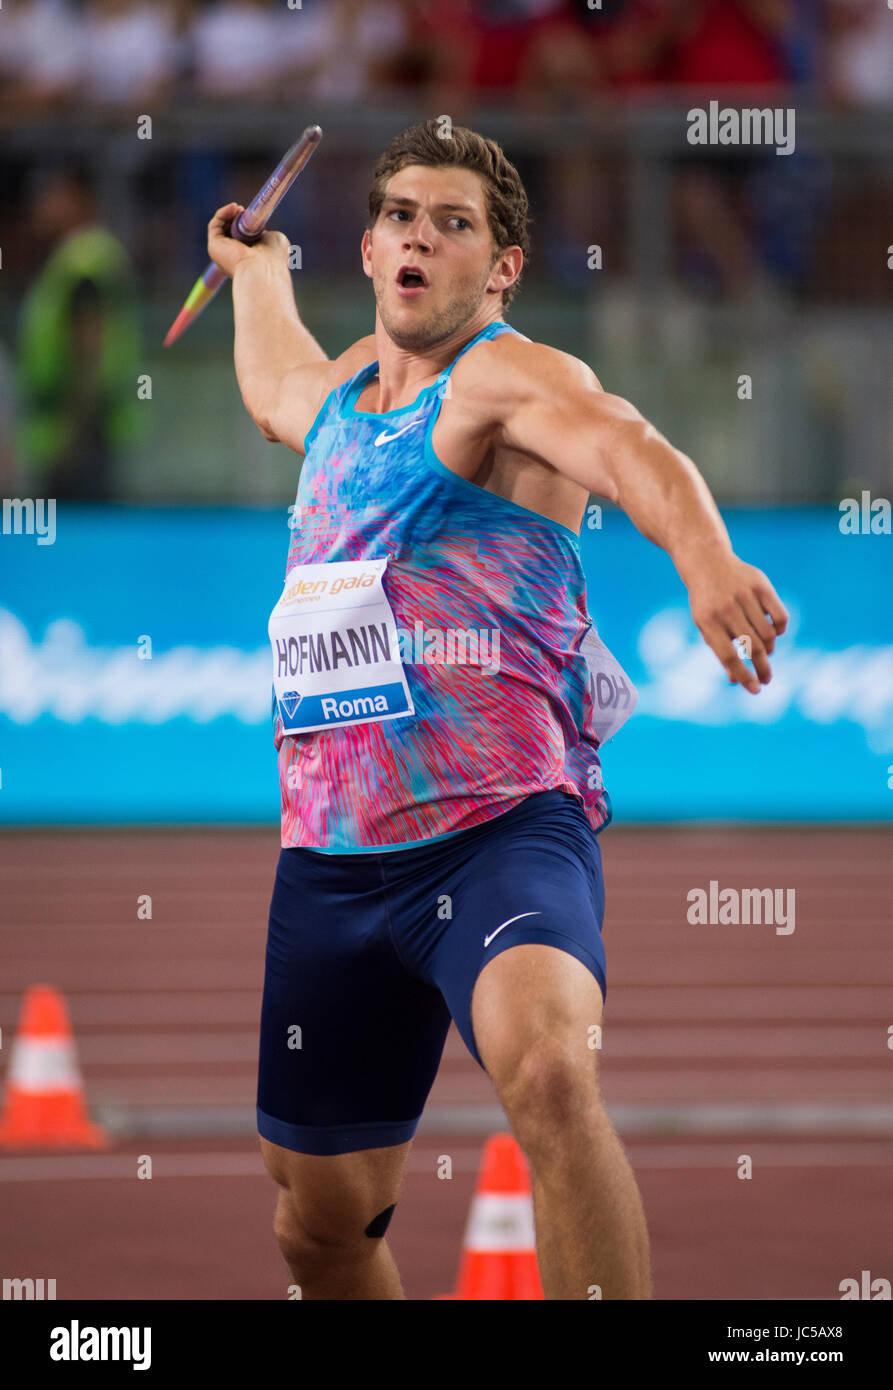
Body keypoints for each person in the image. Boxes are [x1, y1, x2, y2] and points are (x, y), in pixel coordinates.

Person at [207, 119, 787, 1300]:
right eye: (402, 218)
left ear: (501, 265)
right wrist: (258, 273)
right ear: (367, 249)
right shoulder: (333, 404)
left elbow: (626, 445)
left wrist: (704, 555)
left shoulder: (504, 378)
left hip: (497, 832)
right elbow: (271, 382)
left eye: (454, 223)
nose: (422, 237)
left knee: (552, 1075)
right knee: (318, 1224)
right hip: (332, 857)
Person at [15, 164, 143, 500]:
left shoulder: (85, 261)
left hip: (80, 433)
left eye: (51, 194)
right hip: (74, 429)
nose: (41, 204)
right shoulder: (73, 258)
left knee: (77, 539)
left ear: (79, 198)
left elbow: (89, 345)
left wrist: (77, 436)